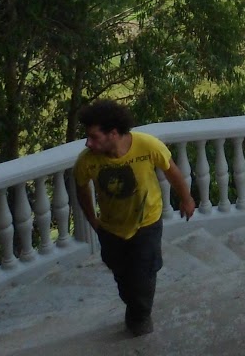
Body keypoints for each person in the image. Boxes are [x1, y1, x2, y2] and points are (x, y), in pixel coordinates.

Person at [74, 99, 196, 337]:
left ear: (113, 133)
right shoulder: (87, 161)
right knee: (121, 274)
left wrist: (187, 199)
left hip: (147, 223)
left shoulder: (147, 145)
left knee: (142, 275)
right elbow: (82, 192)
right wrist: (94, 222)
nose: (88, 143)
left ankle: (139, 318)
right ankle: (136, 302)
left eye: (94, 137)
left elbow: (171, 171)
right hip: (111, 229)